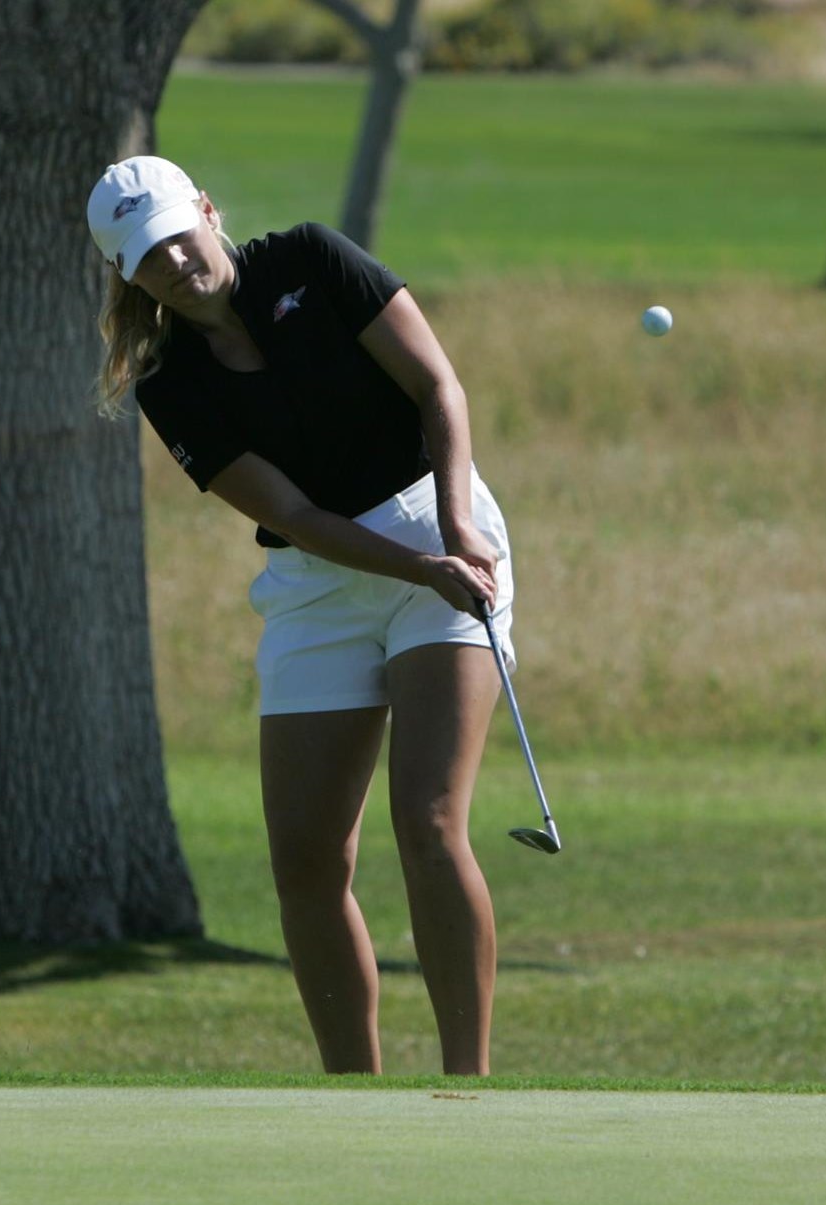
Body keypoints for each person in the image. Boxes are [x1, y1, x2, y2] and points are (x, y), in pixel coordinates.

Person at [86, 155, 512, 1077]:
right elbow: (293, 515)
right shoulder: (171, 383)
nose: (173, 262)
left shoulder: (312, 260)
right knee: (307, 862)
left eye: (176, 236)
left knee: (430, 822)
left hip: (435, 521)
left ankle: (470, 1092)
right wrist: (419, 568)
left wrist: (454, 526)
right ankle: (353, 1097)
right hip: (319, 580)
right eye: (147, 256)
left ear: (207, 211)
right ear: (129, 276)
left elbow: (438, 385)